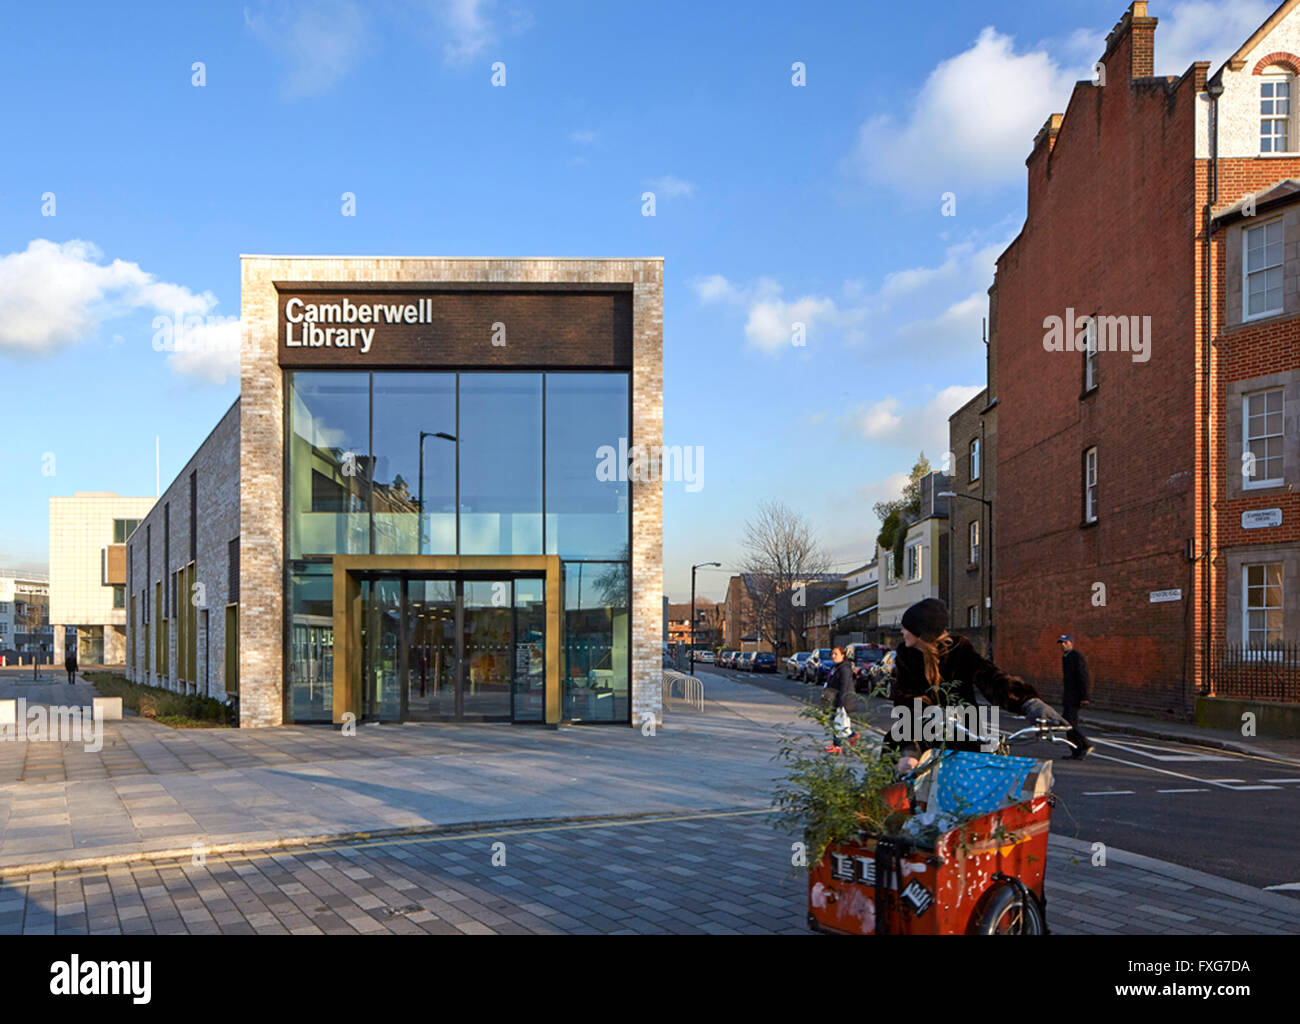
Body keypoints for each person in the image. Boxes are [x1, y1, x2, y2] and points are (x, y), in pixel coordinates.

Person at [886, 598, 1067, 773]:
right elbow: (906, 702)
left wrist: (1028, 702)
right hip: (919, 737)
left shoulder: (960, 650)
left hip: (965, 733)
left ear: (920, 632)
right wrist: (910, 749)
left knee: (982, 785)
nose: (902, 631)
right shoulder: (906, 656)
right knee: (902, 785)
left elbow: (990, 677)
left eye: (906, 627)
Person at [1057, 635, 1095, 759]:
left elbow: (1083, 677)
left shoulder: (1077, 657)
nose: (1063, 645)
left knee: (1070, 723)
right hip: (1068, 695)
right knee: (1067, 723)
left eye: (1065, 642)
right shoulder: (1065, 657)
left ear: (1071, 643)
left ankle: (1085, 745)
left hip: (1076, 696)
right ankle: (1076, 751)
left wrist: (1085, 696)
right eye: (1061, 643)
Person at [823, 646, 861, 752]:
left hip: (842, 701)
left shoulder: (844, 668)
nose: (833, 656)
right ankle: (840, 743)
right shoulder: (836, 667)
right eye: (832, 654)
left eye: (836, 654)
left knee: (837, 723)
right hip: (834, 699)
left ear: (843, 655)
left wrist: (840, 702)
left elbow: (844, 686)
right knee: (835, 722)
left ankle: (843, 742)